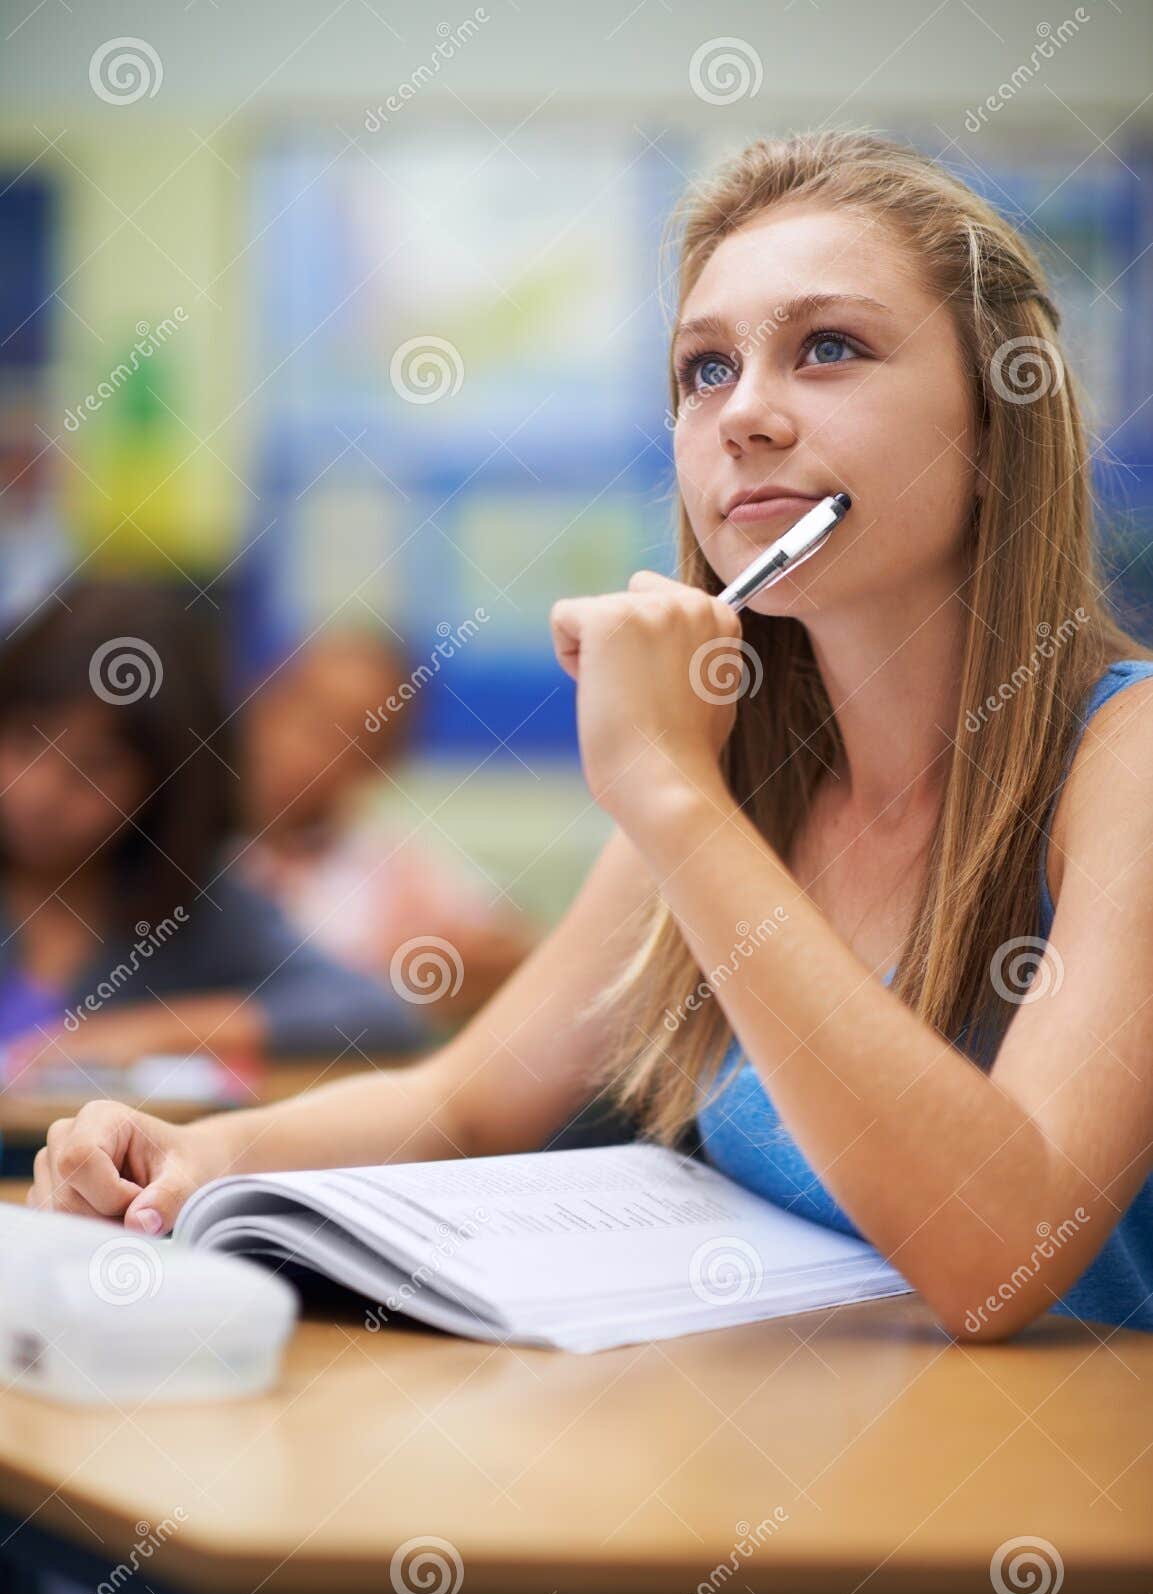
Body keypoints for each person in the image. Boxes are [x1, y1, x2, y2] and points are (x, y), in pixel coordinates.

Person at [31, 129, 1153, 1340]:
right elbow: (465, 1102)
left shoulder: (1120, 760)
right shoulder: (740, 777)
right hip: (785, 1468)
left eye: (829, 348)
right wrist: (197, 1156)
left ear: (995, 428)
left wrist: (668, 796)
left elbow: (1002, 1253)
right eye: (704, 369)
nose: (746, 416)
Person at [0, 583, 425, 1071]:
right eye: (24, 742)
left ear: (164, 785)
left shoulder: (194, 906)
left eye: (94, 767)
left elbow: (376, 1014)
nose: (38, 794)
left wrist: (151, 1032)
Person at [235, 628, 535, 1029]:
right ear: (261, 700)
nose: (311, 753)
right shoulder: (180, 838)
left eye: (356, 736)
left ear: (382, 763)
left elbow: (515, 949)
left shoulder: (389, 864)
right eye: (308, 715)